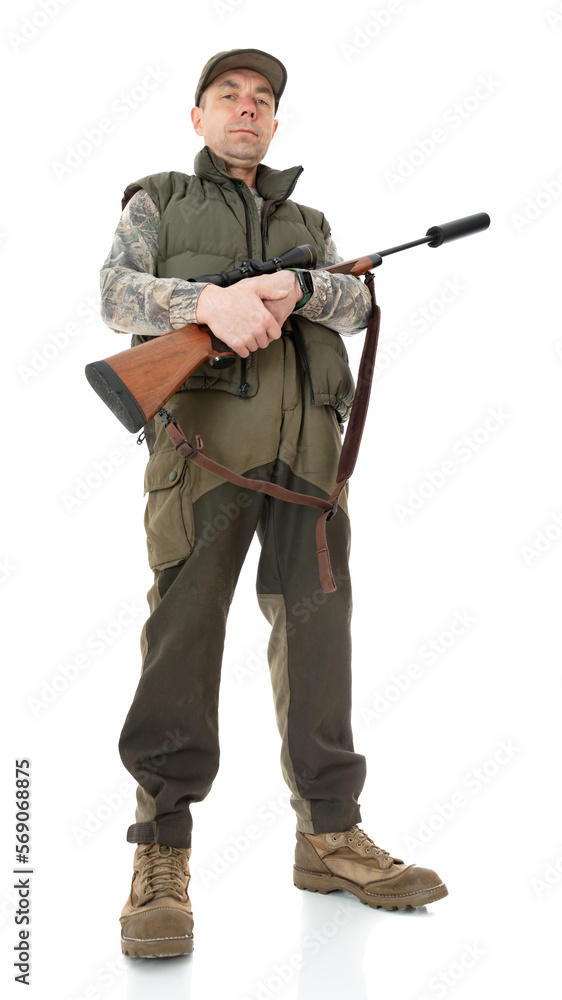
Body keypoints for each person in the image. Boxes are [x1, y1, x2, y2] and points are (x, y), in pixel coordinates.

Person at [99, 47, 447, 959]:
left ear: (275, 123)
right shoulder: (160, 202)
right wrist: (209, 304)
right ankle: (161, 855)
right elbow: (114, 292)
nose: (246, 110)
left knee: (321, 641)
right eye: (228, 97)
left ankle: (330, 839)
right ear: (199, 115)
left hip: (309, 469)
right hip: (203, 460)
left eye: (262, 100)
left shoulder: (308, 218)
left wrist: (298, 284)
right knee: (182, 645)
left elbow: (353, 303)